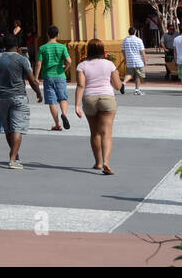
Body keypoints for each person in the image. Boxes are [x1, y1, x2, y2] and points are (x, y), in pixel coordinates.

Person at [0, 32, 43, 170]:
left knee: (8, 128)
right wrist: (38, 93)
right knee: (18, 128)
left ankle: (14, 154)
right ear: (16, 45)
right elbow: (32, 79)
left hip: (2, 96)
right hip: (18, 96)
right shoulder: (22, 59)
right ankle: (13, 158)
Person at [75, 40, 122, 175]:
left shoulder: (82, 65)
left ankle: (98, 162)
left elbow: (81, 85)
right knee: (106, 133)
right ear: (103, 50)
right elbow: (118, 86)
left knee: (94, 132)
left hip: (89, 99)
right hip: (107, 98)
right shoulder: (110, 64)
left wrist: (77, 105)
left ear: (88, 50)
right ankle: (106, 162)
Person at [34, 25, 72, 131]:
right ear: (58, 34)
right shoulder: (62, 47)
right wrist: (65, 69)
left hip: (48, 77)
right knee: (63, 98)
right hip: (60, 76)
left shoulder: (42, 48)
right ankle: (64, 114)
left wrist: (36, 77)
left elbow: (38, 64)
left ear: (47, 35)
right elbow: (69, 61)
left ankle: (57, 124)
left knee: (52, 101)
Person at [120, 27, 147, 95]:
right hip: (138, 60)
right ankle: (137, 90)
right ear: (135, 32)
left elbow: (123, 50)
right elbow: (142, 51)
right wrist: (144, 60)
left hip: (129, 60)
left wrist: (125, 58)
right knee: (138, 75)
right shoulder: (138, 40)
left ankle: (123, 83)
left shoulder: (125, 40)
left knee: (129, 74)